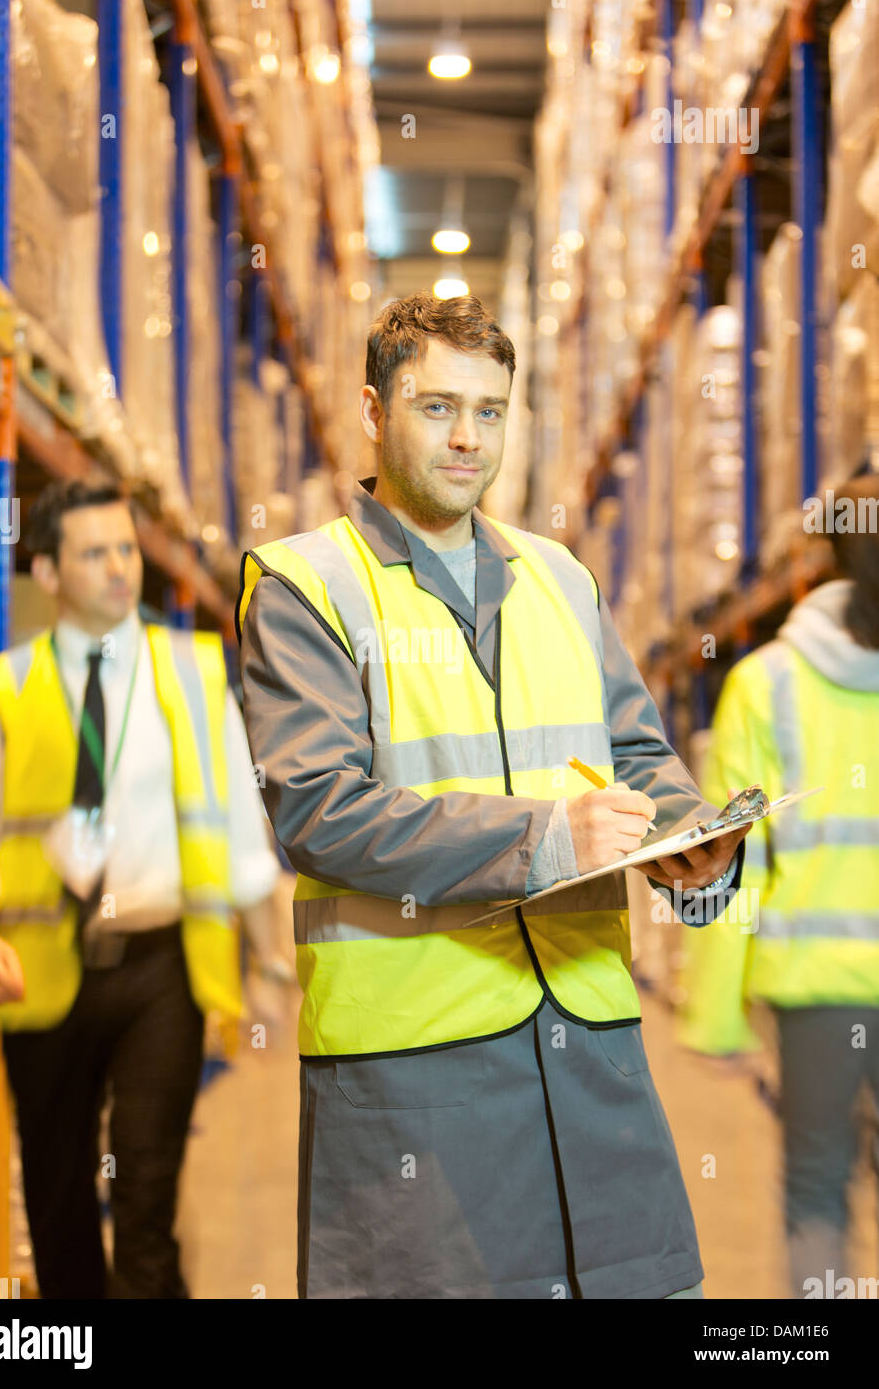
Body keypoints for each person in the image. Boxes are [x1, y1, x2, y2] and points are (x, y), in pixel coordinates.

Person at [237, 291, 749, 1300]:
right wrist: (547, 840)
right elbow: (318, 809)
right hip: (413, 1059)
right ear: (374, 412)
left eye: (490, 410)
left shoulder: (559, 578)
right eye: (436, 407)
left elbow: (638, 756)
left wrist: (696, 846)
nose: (468, 437)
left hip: (590, 1045)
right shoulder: (304, 584)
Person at [0, 479, 280, 1299]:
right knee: (56, 1202)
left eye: (126, 548)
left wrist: (272, 967)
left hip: (161, 971)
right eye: (95, 554)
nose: (121, 568)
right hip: (42, 969)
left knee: (145, 1192)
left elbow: (241, 832)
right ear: (49, 573)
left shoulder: (199, 677)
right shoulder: (7, 690)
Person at [678, 471, 879, 1299]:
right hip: (818, 995)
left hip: (816, 996)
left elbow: (735, 863)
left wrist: (719, 1016)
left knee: (816, 1187)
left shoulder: (767, 684)